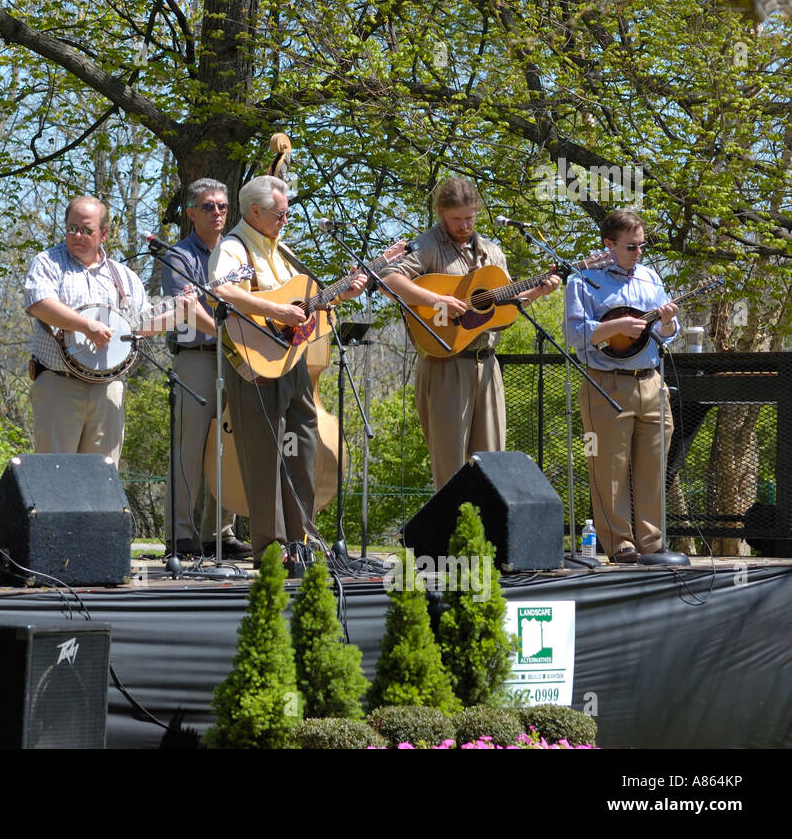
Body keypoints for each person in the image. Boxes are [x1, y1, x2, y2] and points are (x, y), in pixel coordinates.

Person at [208, 175, 368, 564]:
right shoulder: (233, 247)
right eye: (280, 213)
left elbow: (306, 305)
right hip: (253, 363)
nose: (286, 219)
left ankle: (302, 540)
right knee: (262, 454)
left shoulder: (284, 251)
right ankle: (269, 548)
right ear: (255, 211)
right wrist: (277, 310)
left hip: (293, 362)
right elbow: (219, 289)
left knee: (303, 447)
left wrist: (341, 293)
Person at [380, 177, 560, 489]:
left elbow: (503, 309)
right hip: (445, 366)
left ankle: (486, 537)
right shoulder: (425, 246)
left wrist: (537, 293)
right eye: (457, 219)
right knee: (451, 466)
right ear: (440, 213)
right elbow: (387, 279)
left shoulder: (492, 252)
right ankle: (449, 537)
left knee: (492, 464)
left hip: (487, 366)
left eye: (470, 217)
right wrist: (436, 300)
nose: (465, 225)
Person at [25, 196, 192, 463]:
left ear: (103, 234)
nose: (77, 235)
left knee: (102, 479)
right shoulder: (48, 263)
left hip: (108, 389)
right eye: (72, 228)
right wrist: (86, 325)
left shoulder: (123, 276)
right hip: (59, 384)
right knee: (54, 478)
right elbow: (40, 304)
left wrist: (180, 311)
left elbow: (140, 325)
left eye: (86, 230)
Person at [565, 209, 678, 563]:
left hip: (651, 384)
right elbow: (573, 334)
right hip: (605, 385)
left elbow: (665, 335)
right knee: (608, 468)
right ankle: (620, 544)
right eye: (631, 246)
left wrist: (668, 324)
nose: (638, 252)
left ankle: (653, 543)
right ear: (608, 244)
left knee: (653, 468)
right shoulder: (583, 280)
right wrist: (614, 328)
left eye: (642, 245)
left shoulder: (650, 277)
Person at [158, 178, 252, 560]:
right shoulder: (178, 256)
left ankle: (221, 532)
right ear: (191, 212)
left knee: (228, 446)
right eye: (208, 206)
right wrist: (227, 334)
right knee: (190, 449)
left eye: (223, 207)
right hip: (196, 357)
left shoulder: (237, 256)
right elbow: (187, 309)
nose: (217, 213)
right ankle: (179, 535)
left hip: (233, 359)